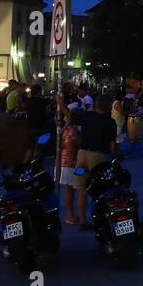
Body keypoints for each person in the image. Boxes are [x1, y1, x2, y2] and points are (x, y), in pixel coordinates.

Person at [57, 94, 117, 229]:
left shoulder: (87, 117)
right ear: (108, 107)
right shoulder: (110, 122)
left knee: (82, 189)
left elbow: (70, 116)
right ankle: (100, 218)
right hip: (100, 157)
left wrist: (61, 103)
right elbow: (113, 146)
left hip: (82, 156)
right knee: (100, 190)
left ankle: (83, 220)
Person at [58, 105, 82, 226]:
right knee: (71, 190)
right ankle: (70, 215)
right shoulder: (74, 130)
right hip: (71, 163)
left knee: (69, 190)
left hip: (64, 162)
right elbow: (74, 147)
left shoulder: (66, 128)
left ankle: (70, 214)